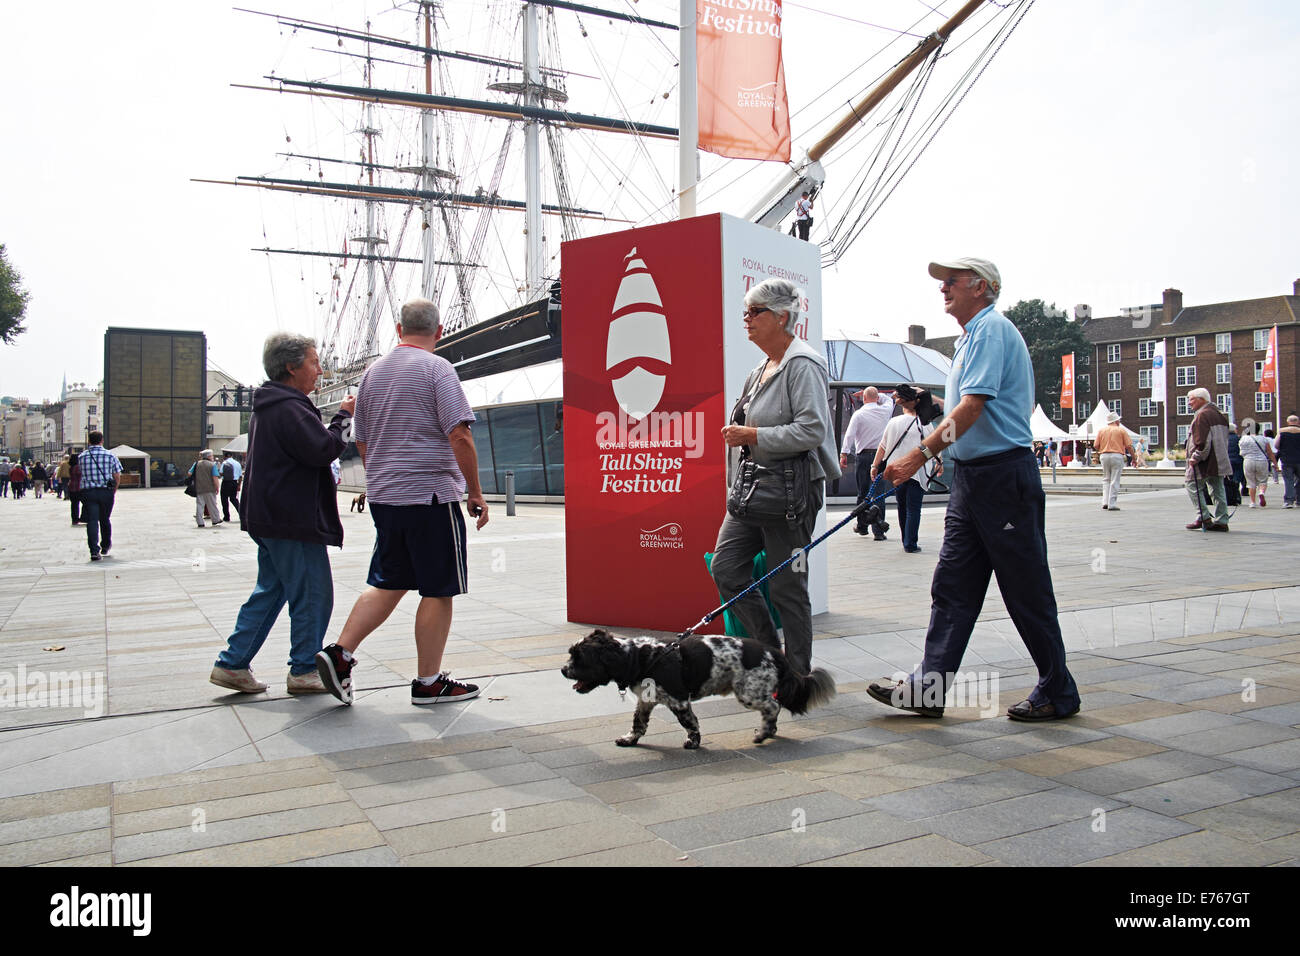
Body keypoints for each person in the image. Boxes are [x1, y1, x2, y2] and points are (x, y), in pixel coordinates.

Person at [868, 257, 1079, 722]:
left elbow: (975, 406)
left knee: (1025, 589)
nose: (943, 288)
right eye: (943, 282)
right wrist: (939, 426)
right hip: (974, 479)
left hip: (1001, 477)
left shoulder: (990, 330)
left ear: (982, 287)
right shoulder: (971, 338)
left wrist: (920, 453)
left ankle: (1058, 689)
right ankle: (928, 687)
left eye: (952, 281)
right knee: (953, 586)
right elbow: (966, 409)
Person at [315, 299, 490, 706]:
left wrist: (382, 472)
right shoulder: (437, 369)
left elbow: (360, 439)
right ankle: (429, 681)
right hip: (429, 496)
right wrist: (475, 491)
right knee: (438, 588)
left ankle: (339, 654)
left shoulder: (372, 374)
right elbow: (459, 434)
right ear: (439, 331)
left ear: (398, 329)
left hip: (386, 497)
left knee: (389, 581)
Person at [707, 278, 840, 677]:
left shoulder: (804, 365)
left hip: (791, 494)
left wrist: (753, 435)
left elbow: (812, 430)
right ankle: (769, 653)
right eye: (745, 311)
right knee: (726, 568)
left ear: (783, 317)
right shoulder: (760, 369)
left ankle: (796, 676)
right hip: (752, 491)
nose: (745, 319)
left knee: (788, 587)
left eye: (754, 312)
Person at [210, 333, 354, 696]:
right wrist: (343, 417)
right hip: (292, 519)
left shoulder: (271, 404)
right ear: (291, 366)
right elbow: (323, 449)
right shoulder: (289, 406)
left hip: (269, 516)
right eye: (314, 362)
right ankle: (305, 668)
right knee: (312, 594)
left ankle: (233, 663)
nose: (320, 370)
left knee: (271, 591)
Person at [872, 383, 940, 552]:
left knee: (902, 505)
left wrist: (875, 465)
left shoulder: (893, 422)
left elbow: (883, 446)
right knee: (913, 508)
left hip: (897, 472)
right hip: (918, 472)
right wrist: (939, 463)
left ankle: (905, 540)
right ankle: (911, 543)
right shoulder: (925, 424)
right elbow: (933, 446)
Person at [840, 386, 895, 538]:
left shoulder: (859, 414)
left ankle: (862, 526)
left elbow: (849, 435)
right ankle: (878, 531)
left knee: (863, 493)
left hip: (863, 457)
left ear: (863, 399)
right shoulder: (885, 410)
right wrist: (877, 395)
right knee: (878, 494)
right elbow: (888, 399)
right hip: (880, 457)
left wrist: (843, 453)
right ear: (877, 398)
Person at [1184, 387, 1231, 531]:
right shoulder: (1220, 415)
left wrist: (1195, 457)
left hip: (1205, 461)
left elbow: (1202, 441)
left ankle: (1203, 517)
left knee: (1192, 484)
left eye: (1191, 399)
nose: (1189, 403)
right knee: (1218, 489)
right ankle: (1222, 520)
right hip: (1220, 460)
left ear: (1201, 399)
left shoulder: (1202, 415)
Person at [78, 433, 122, 560]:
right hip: (106, 492)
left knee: (92, 521)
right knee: (105, 519)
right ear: (102, 440)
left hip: (89, 492)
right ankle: (105, 545)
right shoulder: (110, 455)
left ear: (89, 441)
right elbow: (117, 475)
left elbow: (81, 473)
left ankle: (94, 551)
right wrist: (113, 490)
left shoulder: (82, 457)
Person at [1095, 411, 1133, 510]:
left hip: (1104, 455)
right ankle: (1112, 503)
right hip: (1117, 455)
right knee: (1114, 479)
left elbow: (1095, 445)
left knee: (1106, 479)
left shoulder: (1101, 430)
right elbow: (1129, 446)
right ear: (1116, 421)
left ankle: (1105, 502)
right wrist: (1134, 458)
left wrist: (1101, 450)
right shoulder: (1121, 430)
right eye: (1118, 420)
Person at [1239, 418, 1276, 509]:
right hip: (1262, 461)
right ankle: (1261, 493)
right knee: (1262, 480)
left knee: (1251, 482)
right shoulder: (1263, 439)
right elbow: (1269, 452)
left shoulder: (1243, 439)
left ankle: (1252, 502)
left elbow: (1241, 452)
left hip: (1248, 461)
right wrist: (1275, 463)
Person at [190, 450, 223, 528]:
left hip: (199, 488)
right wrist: (217, 487)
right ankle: (215, 519)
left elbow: (189, 473)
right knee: (212, 504)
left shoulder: (196, 464)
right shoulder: (212, 465)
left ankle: (200, 522)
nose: (213, 457)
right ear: (208, 456)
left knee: (199, 505)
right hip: (210, 488)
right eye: (212, 455)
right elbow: (215, 477)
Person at [1274, 414, 1300, 508]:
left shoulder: (1282, 431)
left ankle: (1289, 501)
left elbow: (1276, 445)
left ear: (1288, 422)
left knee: (1288, 480)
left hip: (1286, 459)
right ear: (1298, 422)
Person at [219, 454, 243, 522]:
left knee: (224, 499)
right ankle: (241, 514)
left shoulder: (224, 463)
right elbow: (240, 476)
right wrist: (239, 485)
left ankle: (227, 517)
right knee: (234, 499)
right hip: (234, 483)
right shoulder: (238, 463)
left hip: (226, 483)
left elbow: (221, 473)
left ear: (225, 456)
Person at [1227, 425, 1245, 503]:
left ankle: (1232, 496)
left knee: (1229, 479)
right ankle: (1237, 495)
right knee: (1237, 478)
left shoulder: (1224, 439)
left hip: (1228, 461)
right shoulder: (1239, 439)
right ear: (1235, 430)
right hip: (1238, 461)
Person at [67, 452, 82, 525]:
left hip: (72, 487)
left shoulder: (71, 467)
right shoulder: (77, 467)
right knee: (84, 503)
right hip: (78, 487)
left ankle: (74, 519)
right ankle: (81, 517)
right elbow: (80, 476)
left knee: (74, 504)